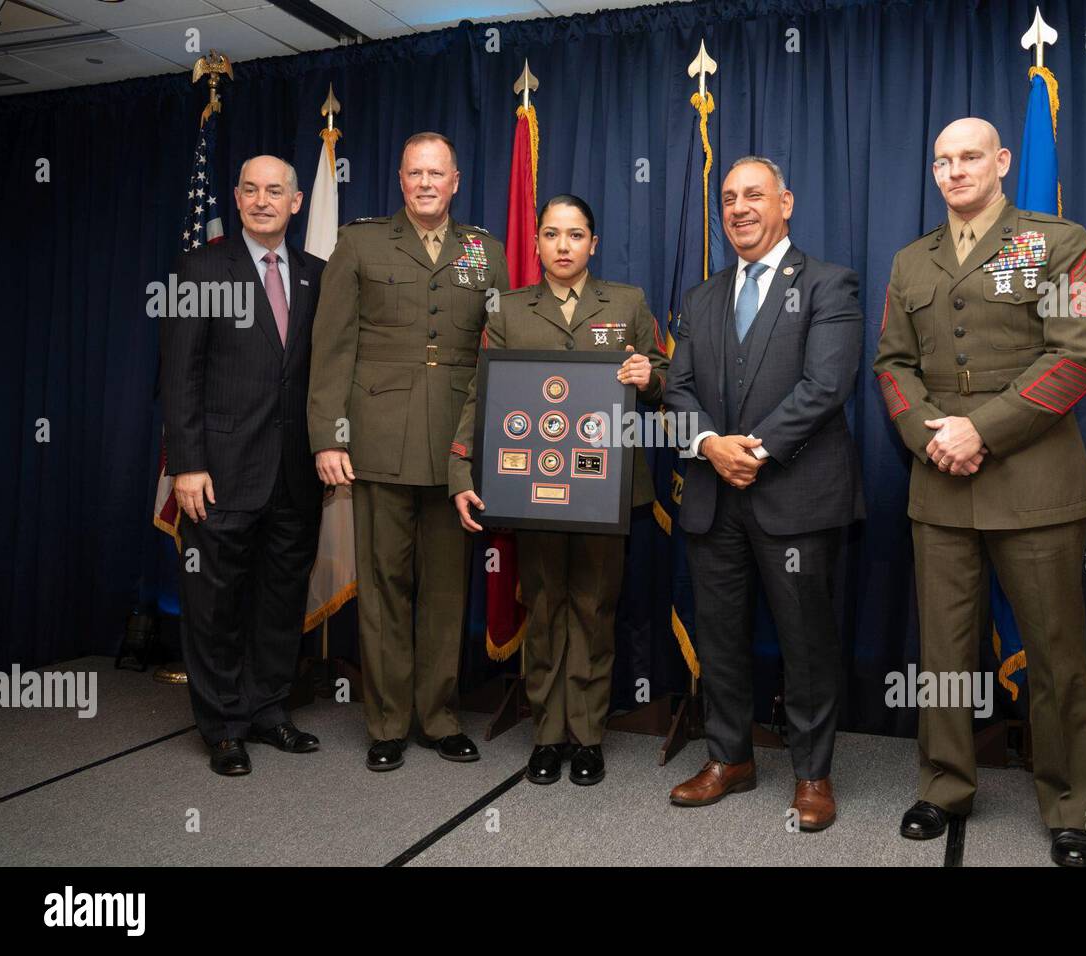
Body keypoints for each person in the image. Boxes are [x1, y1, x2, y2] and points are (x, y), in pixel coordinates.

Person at [873, 117, 1086, 867]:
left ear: (1002, 161)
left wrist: (982, 429)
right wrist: (929, 436)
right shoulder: (912, 260)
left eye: (969, 156)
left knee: (1056, 652)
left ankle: (1073, 803)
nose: (954, 171)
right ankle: (943, 785)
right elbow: (891, 365)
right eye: (941, 160)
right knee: (942, 654)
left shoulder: (1056, 242)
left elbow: (1076, 358)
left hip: (1034, 477)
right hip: (938, 477)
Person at [664, 157, 865, 831]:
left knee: (806, 643)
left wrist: (750, 450)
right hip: (713, 497)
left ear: (786, 202)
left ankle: (812, 775)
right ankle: (731, 759)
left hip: (797, 497)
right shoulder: (701, 298)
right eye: (728, 198)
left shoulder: (830, 284)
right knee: (720, 640)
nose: (739, 207)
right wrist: (710, 447)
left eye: (754, 195)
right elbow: (677, 388)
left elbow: (827, 385)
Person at [307, 132, 510, 772]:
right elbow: (332, 345)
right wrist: (327, 437)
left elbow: (504, 344)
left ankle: (440, 718)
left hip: (456, 442)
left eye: (437, 173)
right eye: (415, 173)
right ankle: (388, 723)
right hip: (376, 438)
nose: (426, 183)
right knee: (386, 588)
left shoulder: (486, 250)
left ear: (456, 181)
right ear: (401, 180)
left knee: (447, 591)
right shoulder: (360, 242)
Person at [449, 195, 668, 786]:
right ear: (537, 242)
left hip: (606, 490)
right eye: (552, 234)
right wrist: (461, 469)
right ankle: (547, 733)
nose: (564, 245)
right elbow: (482, 394)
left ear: (593, 243)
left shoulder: (626, 303)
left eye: (576, 235)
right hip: (534, 487)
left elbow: (666, 378)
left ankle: (588, 735)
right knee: (544, 608)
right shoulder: (510, 310)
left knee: (595, 610)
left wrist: (649, 376)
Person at [160, 154, 325, 776]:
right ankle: (223, 725)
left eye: (274, 191)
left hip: (296, 474)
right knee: (215, 602)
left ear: (296, 202)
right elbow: (179, 376)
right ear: (235, 197)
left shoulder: (318, 274)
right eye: (251, 190)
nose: (262, 200)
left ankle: (268, 710)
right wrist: (187, 464)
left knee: (280, 599)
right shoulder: (201, 268)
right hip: (219, 473)